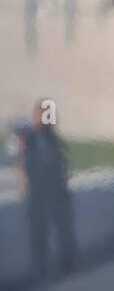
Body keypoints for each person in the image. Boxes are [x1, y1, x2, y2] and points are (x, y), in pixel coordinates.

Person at [12, 101, 77, 273]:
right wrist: (24, 184)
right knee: (39, 231)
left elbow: (63, 163)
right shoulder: (28, 137)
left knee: (63, 229)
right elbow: (21, 162)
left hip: (56, 190)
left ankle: (66, 264)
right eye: (42, 114)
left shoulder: (54, 138)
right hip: (38, 192)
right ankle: (41, 268)